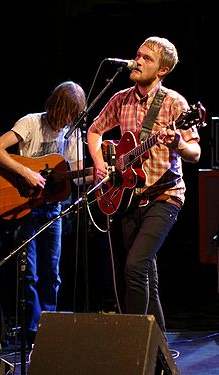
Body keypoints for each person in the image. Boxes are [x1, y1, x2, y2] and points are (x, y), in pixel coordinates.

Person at [87, 36, 201, 336]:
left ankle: (133, 342)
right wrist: (99, 163)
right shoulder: (120, 98)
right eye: (137, 55)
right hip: (129, 198)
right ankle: (159, 348)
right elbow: (94, 130)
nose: (137, 61)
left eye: (146, 58)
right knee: (145, 272)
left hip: (165, 196)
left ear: (162, 70)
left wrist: (178, 140)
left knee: (135, 267)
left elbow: (194, 153)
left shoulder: (175, 103)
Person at [0, 80, 87, 348]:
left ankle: (48, 330)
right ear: (55, 106)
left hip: (52, 208)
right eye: (66, 112)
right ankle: (32, 330)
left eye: (73, 114)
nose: (68, 119)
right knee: (27, 273)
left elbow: (75, 176)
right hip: (25, 206)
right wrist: (26, 171)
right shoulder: (30, 123)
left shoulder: (72, 133)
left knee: (51, 274)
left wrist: (96, 173)